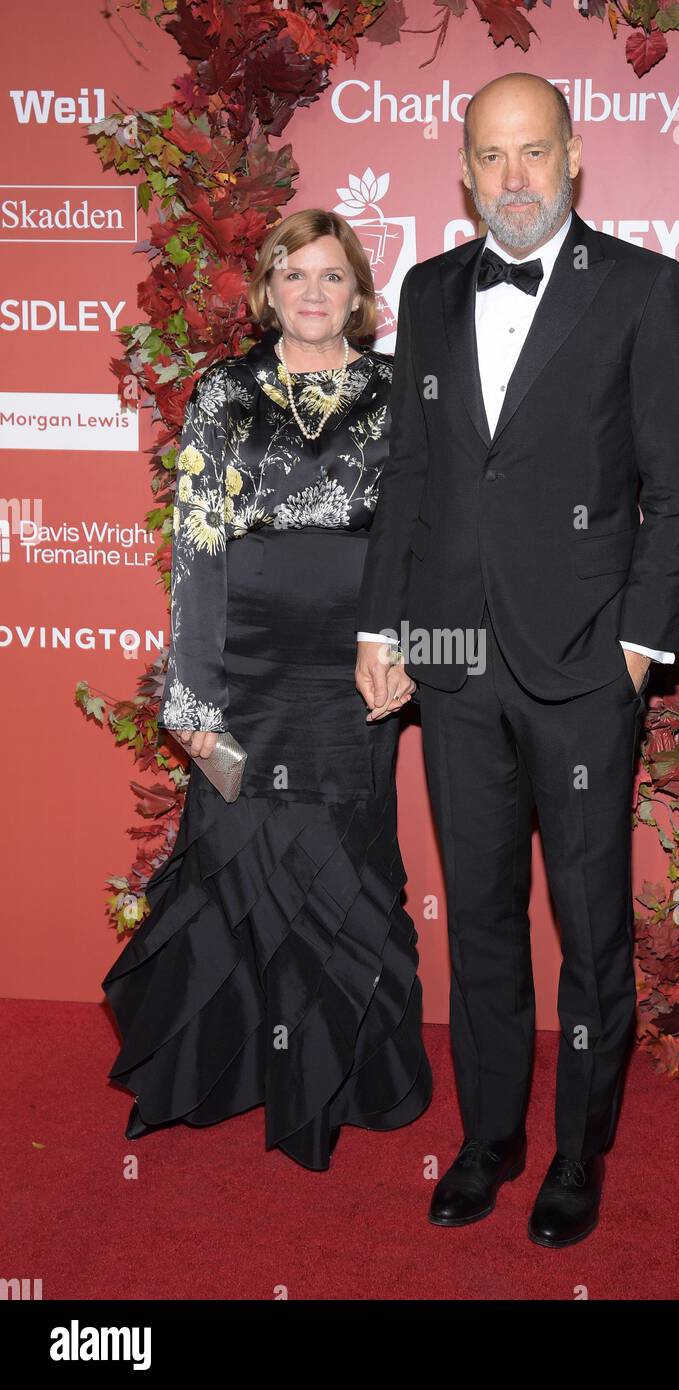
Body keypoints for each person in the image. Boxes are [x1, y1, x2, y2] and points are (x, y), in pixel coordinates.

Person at [356, 72, 679, 1244]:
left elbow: (675, 490)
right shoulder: (427, 288)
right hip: (453, 664)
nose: (512, 178)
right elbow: (410, 476)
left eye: (532, 153)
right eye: (490, 157)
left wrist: (637, 650)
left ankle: (577, 1153)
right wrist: (381, 626)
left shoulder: (643, 291)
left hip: (582, 668)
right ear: (464, 172)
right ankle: (491, 1135)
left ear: (572, 159)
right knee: (485, 921)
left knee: (591, 927)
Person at [103, 209, 431, 1171]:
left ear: (360, 293)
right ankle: (227, 1073)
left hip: (355, 673)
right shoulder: (225, 392)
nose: (315, 293)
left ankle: (336, 1082)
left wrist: (405, 643)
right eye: (296, 276)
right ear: (267, 291)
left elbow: (423, 538)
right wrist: (193, 700)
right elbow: (196, 549)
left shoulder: (398, 392)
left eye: (333, 276)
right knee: (236, 867)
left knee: (340, 866)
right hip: (245, 673)